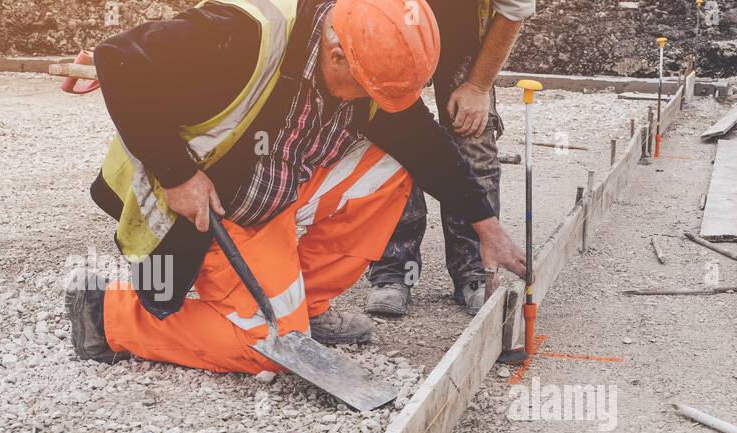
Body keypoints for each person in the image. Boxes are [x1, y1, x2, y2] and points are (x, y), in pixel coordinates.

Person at [66, 0, 526, 375]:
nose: (375, 104)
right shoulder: (243, 35)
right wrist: (178, 175)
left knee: (393, 168)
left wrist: (487, 226)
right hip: (204, 213)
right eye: (369, 90)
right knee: (265, 347)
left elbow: (426, 146)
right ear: (336, 52)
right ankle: (109, 313)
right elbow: (120, 59)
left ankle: (305, 306)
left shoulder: (363, 59)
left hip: (269, 194)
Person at [363, 0, 535, 317]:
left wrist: (478, 85)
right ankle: (394, 269)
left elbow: (514, 10)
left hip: (460, 25)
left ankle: (474, 270)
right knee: (392, 136)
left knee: (472, 132)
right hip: (390, 21)